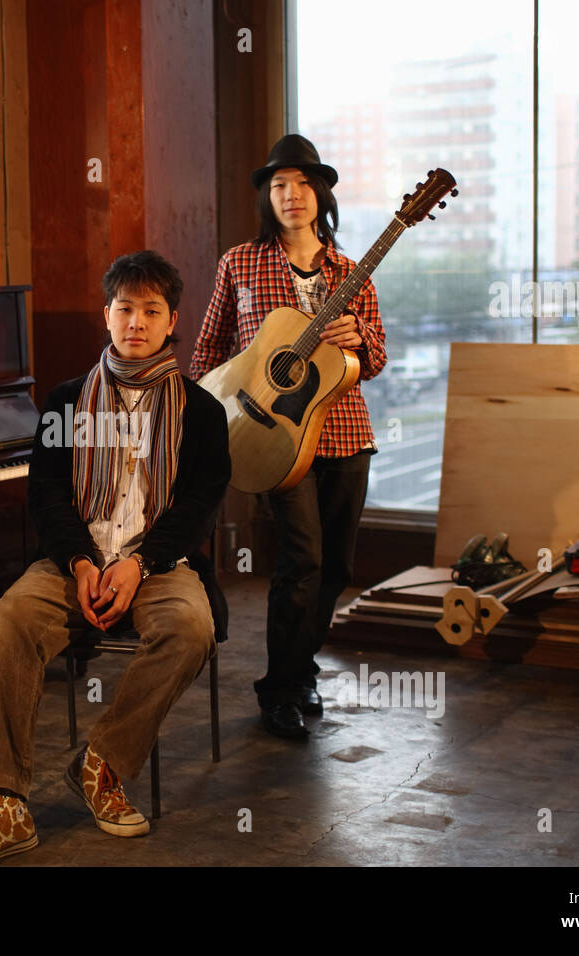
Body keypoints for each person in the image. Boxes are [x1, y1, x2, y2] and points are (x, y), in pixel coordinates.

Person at [0, 250, 230, 867]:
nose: (137, 322)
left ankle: (101, 763)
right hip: (75, 562)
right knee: (7, 620)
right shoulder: (67, 402)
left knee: (190, 628)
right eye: (126, 309)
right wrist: (82, 562)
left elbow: (199, 506)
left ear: (173, 320)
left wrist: (139, 564)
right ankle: (5, 806)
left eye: (152, 310)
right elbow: (45, 494)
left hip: (159, 565)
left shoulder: (202, 411)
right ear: (107, 315)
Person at [190, 134, 387, 740]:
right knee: (302, 558)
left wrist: (360, 343)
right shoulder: (240, 263)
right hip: (274, 435)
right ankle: (277, 689)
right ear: (267, 197)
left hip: (346, 432)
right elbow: (208, 349)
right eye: (279, 185)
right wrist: (210, 415)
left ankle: (301, 672)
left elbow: (377, 357)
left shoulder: (350, 272)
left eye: (302, 184)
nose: (291, 195)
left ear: (320, 194)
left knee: (336, 567)